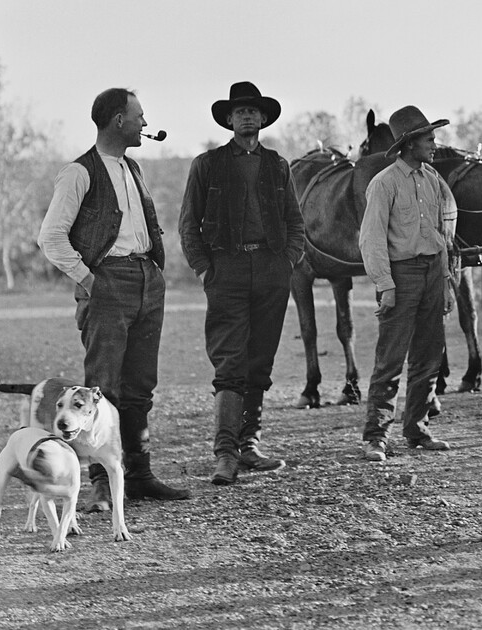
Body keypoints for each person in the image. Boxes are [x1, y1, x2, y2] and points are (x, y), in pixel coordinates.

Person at [38, 88, 191, 508]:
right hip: (107, 283)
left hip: (146, 279)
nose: (145, 123)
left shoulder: (132, 167)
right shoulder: (78, 173)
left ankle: (137, 476)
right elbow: (50, 238)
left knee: (141, 385)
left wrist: (153, 273)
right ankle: (101, 484)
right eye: (139, 116)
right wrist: (89, 279)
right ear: (118, 120)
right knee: (102, 388)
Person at [179, 82, 305, 486]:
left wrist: (287, 261)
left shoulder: (278, 165)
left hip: (271, 270)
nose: (247, 116)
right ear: (229, 120)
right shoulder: (207, 164)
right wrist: (204, 269)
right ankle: (225, 453)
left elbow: (295, 222)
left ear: (263, 118)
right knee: (230, 363)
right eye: (240, 112)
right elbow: (188, 225)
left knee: (260, 362)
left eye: (253, 111)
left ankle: (249, 445)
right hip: (226, 271)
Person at [358, 105, 458, 463]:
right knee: (390, 361)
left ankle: (416, 429)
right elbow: (371, 239)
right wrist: (385, 284)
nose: (434, 144)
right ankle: (376, 438)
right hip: (401, 276)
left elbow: (440, 236)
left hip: (433, 272)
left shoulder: (431, 179)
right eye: (429, 138)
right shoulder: (384, 183)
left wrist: (445, 281)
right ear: (410, 143)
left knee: (429, 357)